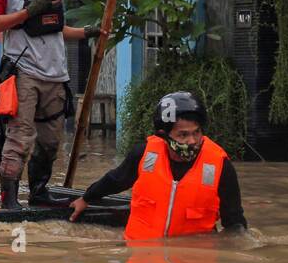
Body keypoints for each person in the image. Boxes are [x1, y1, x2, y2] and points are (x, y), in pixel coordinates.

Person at [0, 0, 98, 210]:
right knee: (20, 137)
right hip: (23, 73)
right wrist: (27, 12)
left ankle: (39, 191)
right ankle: (8, 199)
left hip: (55, 75)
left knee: (50, 141)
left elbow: (57, 30)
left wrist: (87, 32)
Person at [70, 91, 248, 238]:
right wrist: (86, 198)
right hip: (141, 256)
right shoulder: (144, 155)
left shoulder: (219, 165)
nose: (192, 141)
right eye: (183, 135)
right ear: (164, 135)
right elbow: (115, 180)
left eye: (197, 133)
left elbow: (234, 221)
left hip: (193, 260)